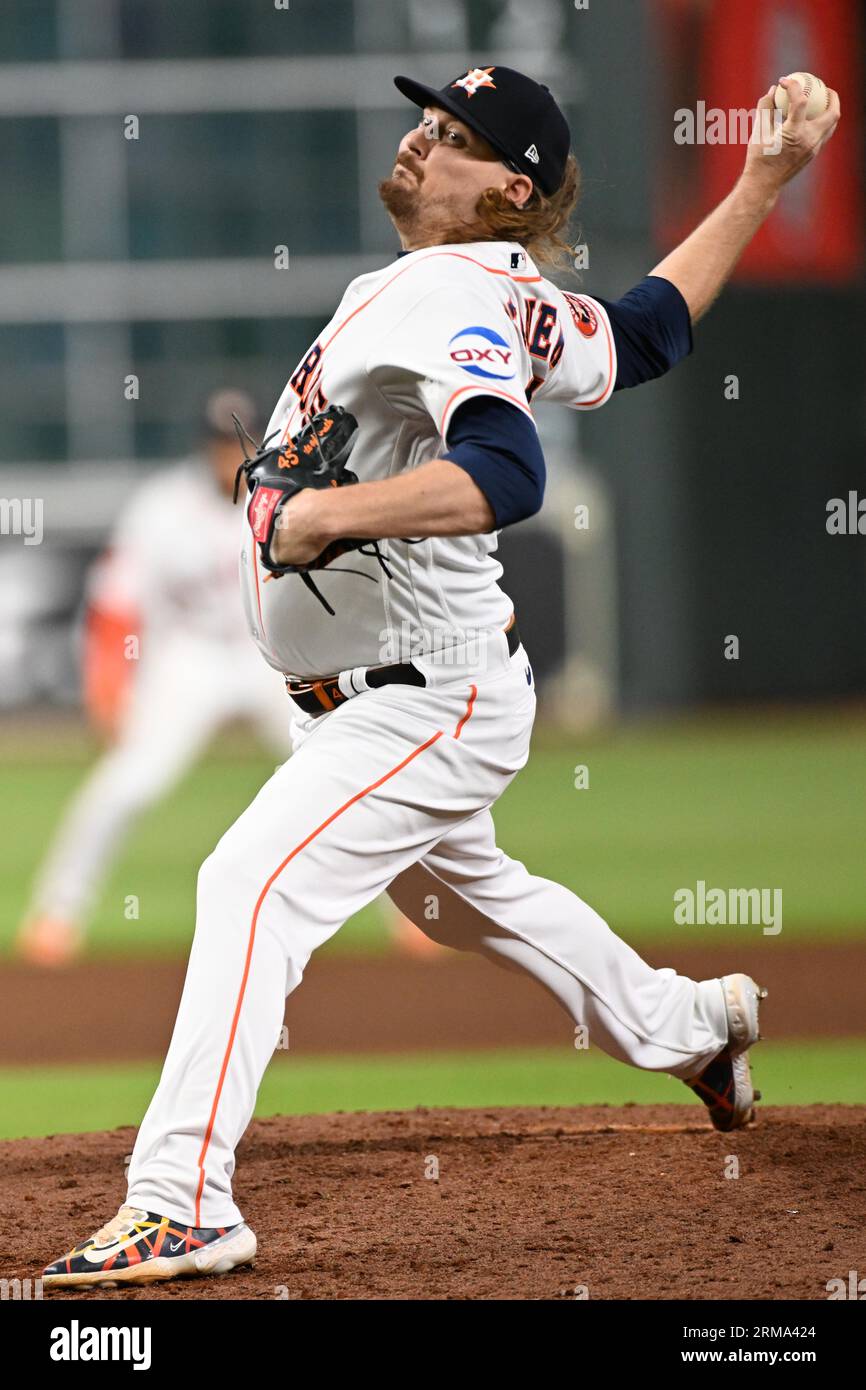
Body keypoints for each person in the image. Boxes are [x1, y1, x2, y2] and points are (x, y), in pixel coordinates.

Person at [42, 67, 839, 1288]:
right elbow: (642, 331)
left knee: (246, 880)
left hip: (424, 694)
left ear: (507, 189)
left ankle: (181, 1197)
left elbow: (504, 475)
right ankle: (696, 1028)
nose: (418, 142)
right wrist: (760, 182)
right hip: (401, 687)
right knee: (465, 902)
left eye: (451, 137)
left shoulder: (443, 294)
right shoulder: (504, 294)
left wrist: (327, 517)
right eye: (426, 120)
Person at [18, 391, 293, 967]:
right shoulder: (163, 506)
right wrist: (108, 682)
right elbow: (116, 601)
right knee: (129, 783)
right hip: (186, 659)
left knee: (343, 772)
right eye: (221, 445)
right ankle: (57, 913)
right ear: (203, 447)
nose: (229, 456)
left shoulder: (291, 495)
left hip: (265, 652)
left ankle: (417, 912)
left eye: (238, 444)